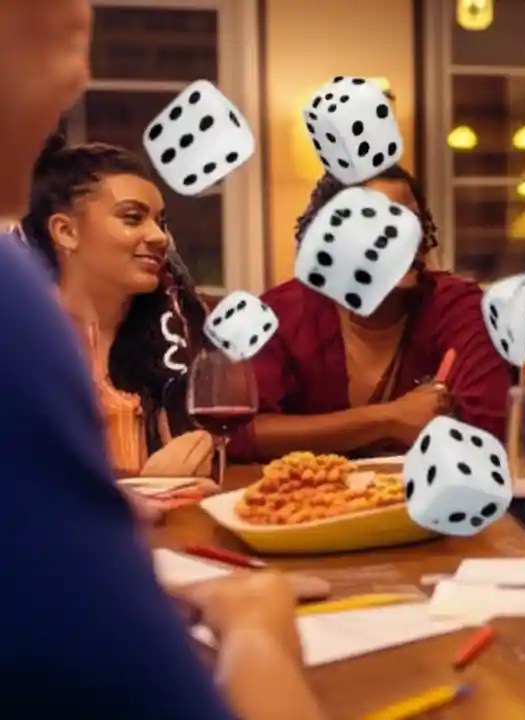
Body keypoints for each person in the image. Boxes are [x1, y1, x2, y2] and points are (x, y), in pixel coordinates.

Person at [0, 2, 322, 717]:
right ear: (64, 230)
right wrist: (256, 626)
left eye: (160, 221)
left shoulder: (182, 328)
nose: (81, 73)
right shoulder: (18, 316)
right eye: (61, 31)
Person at [228, 165, 510, 461]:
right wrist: (387, 419)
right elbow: (237, 432)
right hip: (309, 500)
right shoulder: (282, 312)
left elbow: (488, 431)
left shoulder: (456, 306)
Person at [23, 137, 214, 478]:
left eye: (161, 222)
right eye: (132, 218)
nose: (160, 237)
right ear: (66, 231)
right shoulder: (20, 337)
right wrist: (147, 488)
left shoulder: (174, 325)